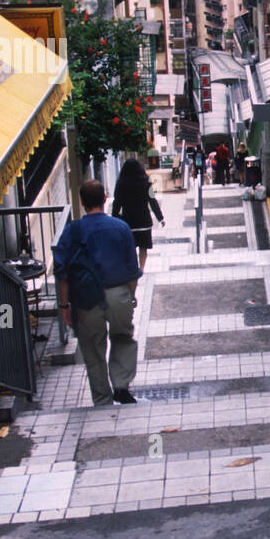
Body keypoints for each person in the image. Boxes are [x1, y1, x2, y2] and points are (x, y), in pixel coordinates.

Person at [54, 180, 142, 406]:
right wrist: (130, 294)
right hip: (119, 293)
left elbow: (62, 272)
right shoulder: (121, 227)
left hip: (85, 299)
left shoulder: (72, 231)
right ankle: (121, 386)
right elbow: (132, 269)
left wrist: (64, 306)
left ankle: (102, 398)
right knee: (122, 338)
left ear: (82, 202)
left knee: (92, 348)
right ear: (105, 198)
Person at [111, 158, 166, 271]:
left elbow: (117, 203)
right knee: (143, 247)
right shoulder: (146, 182)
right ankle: (142, 268)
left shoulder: (121, 184)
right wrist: (160, 218)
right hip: (144, 221)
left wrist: (113, 218)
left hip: (128, 222)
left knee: (130, 247)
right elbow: (152, 201)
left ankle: (133, 268)